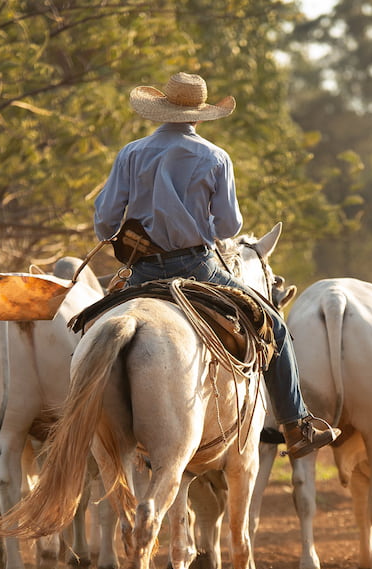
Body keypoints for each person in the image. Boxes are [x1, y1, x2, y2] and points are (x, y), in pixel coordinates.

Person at [93, 71, 339, 459]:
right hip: (196, 268)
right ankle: (296, 425)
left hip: (140, 271)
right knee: (273, 323)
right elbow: (229, 227)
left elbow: (105, 221)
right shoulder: (214, 157)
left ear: (161, 110)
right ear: (199, 114)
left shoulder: (131, 153)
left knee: (89, 324)